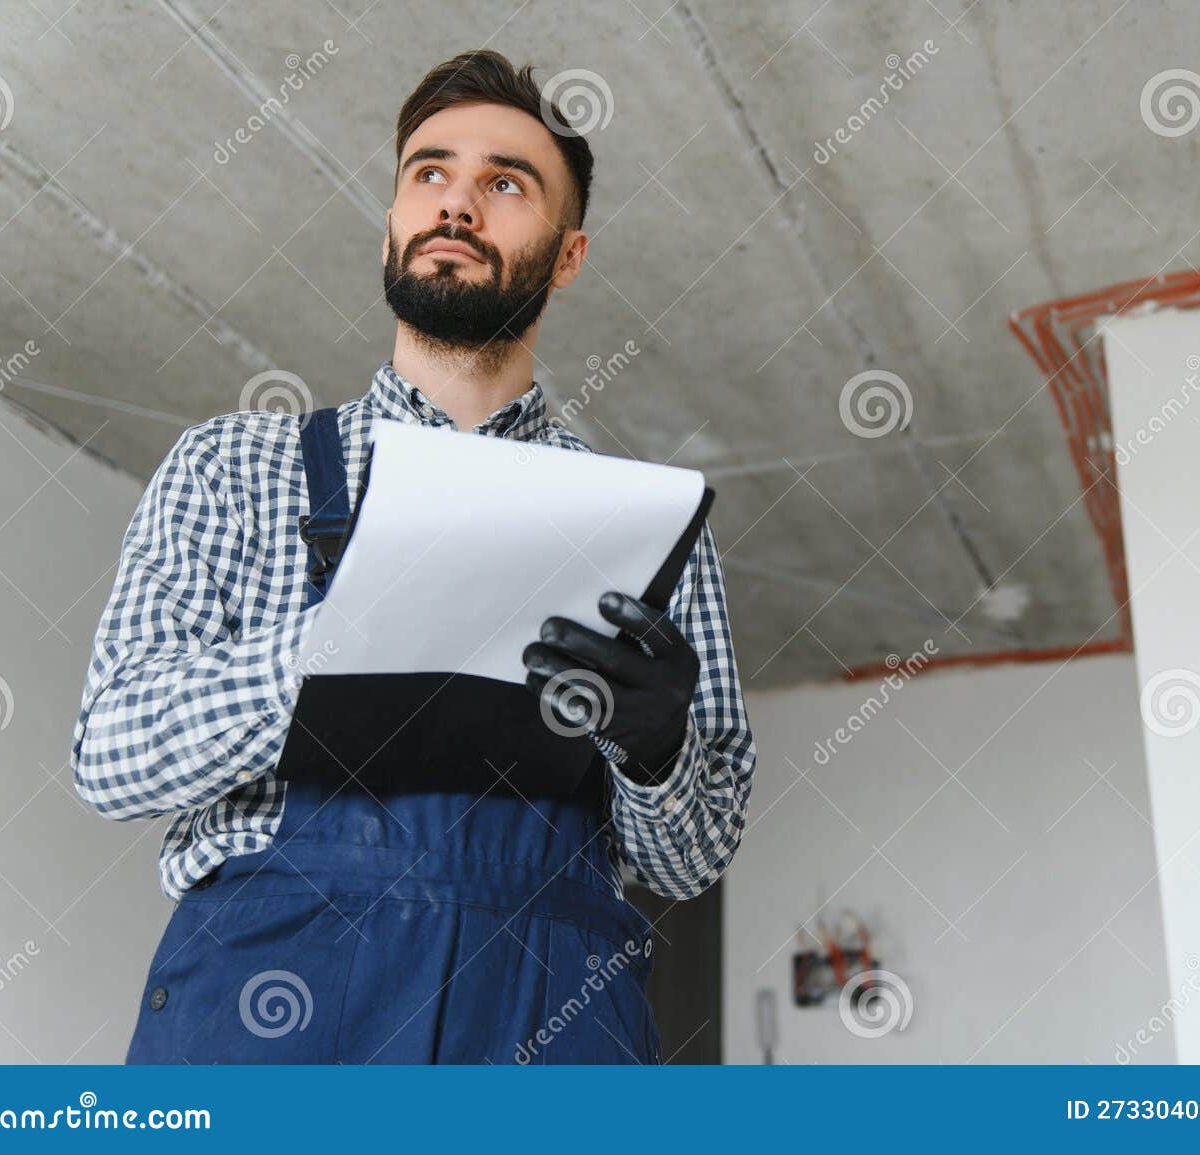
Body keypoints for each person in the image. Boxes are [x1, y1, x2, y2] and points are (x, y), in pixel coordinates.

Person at [69, 49, 756, 1065]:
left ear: (567, 255)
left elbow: (692, 858)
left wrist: (656, 754)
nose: (456, 204)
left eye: (504, 184)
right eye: (428, 175)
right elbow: (110, 757)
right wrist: (335, 646)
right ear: (393, 219)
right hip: (273, 1012)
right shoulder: (231, 467)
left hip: (550, 1012)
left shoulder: (639, 532)